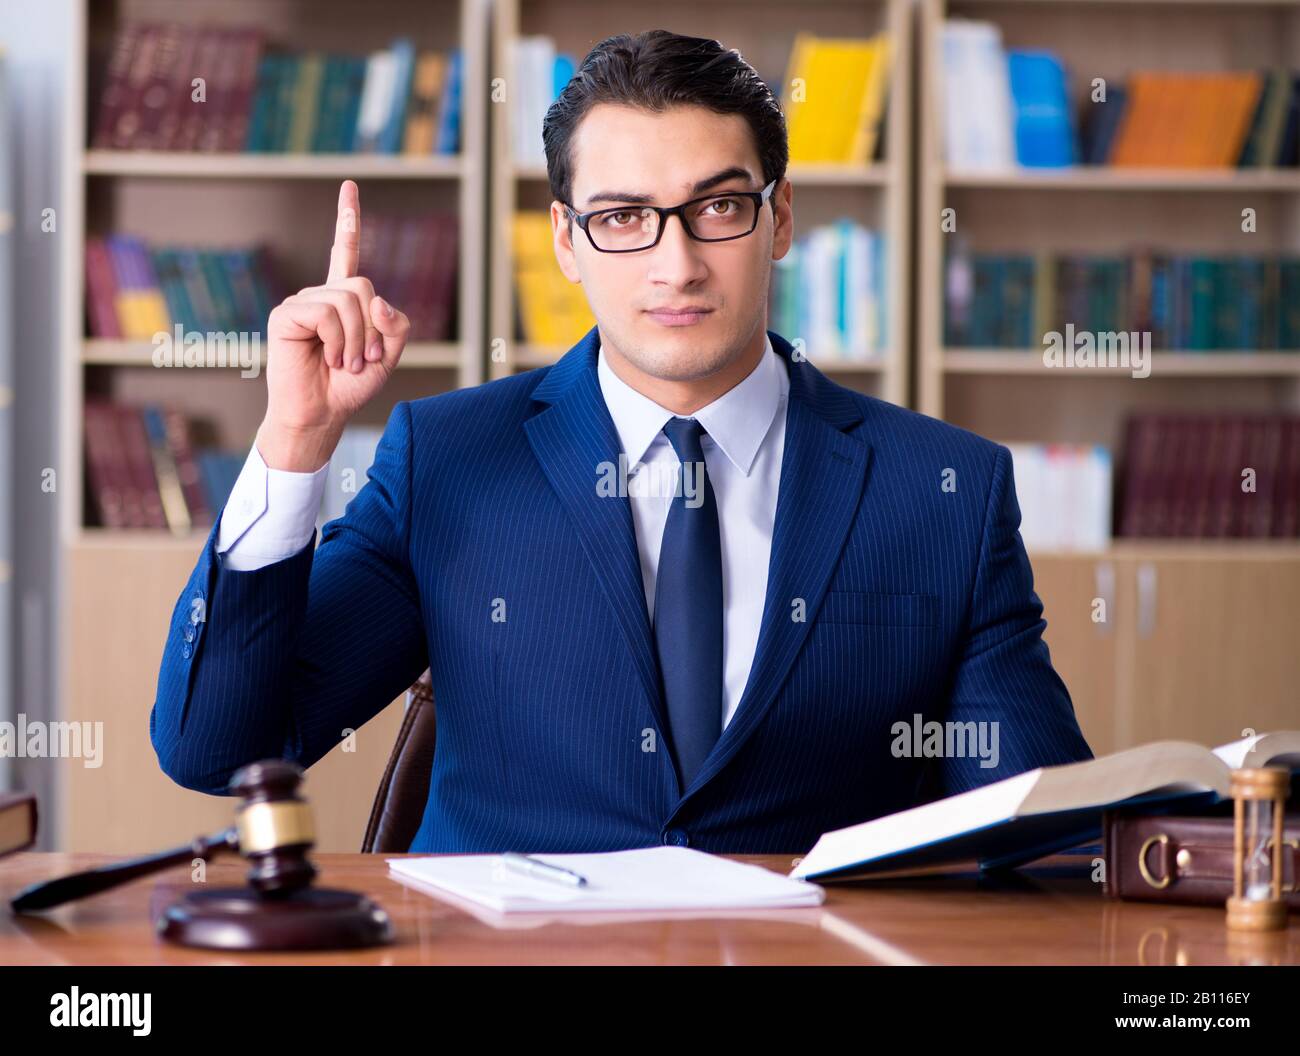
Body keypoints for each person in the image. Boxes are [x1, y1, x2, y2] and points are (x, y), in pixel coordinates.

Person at [151, 30, 1092, 854]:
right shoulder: (449, 461)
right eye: (623, 218)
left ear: (781, 220)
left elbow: (1041, 833)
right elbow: (219, 749)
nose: (675, 265)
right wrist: (293, 442)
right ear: (567, 240)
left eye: (719, 207)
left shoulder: (942, 490)